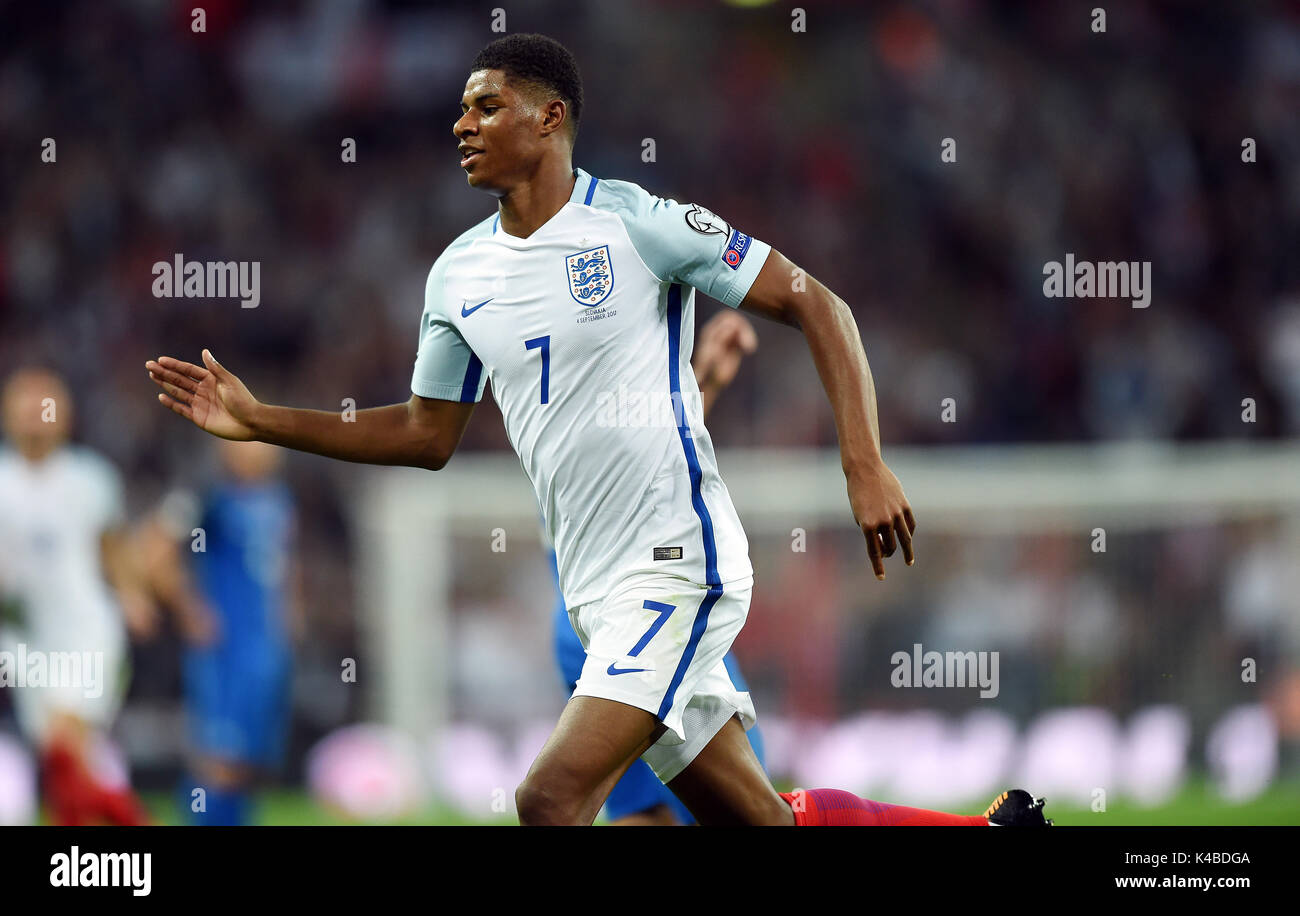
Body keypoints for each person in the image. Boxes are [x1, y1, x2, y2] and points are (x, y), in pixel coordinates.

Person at [147, 33, 1049, 826]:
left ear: (550, 118)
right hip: (592, 592)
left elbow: (819, 303)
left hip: (676, 565)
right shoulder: (457, 275)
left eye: (486, 106)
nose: (461, 125)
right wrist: (263, 417)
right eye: (460, 109)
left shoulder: (638, 224)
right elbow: (425, 435)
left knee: (548, 800)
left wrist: (864, 462)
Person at [551, 308, 765, 825]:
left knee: (747, 812)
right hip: (638, 609)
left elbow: (646, 451)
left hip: (644, 605)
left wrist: (702, 380)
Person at [0, 368, 152, 825]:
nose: (35, 415)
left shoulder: (90, 479)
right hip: (23, 639)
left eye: (45, 405)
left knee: (66, 743)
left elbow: (112, 547)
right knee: (61, 758)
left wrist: (132, 595)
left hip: (86, 633)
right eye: (25, 405)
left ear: (64, 417)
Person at [135, 440, 298, 825]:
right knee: (218, 756)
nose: (263, 450)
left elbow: (283, 569)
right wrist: (189, 608)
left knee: (247, 763)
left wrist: (288, 617)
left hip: (266, 649)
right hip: (225, 647)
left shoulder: (279, 500)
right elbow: (155, 546)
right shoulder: (207, 496)